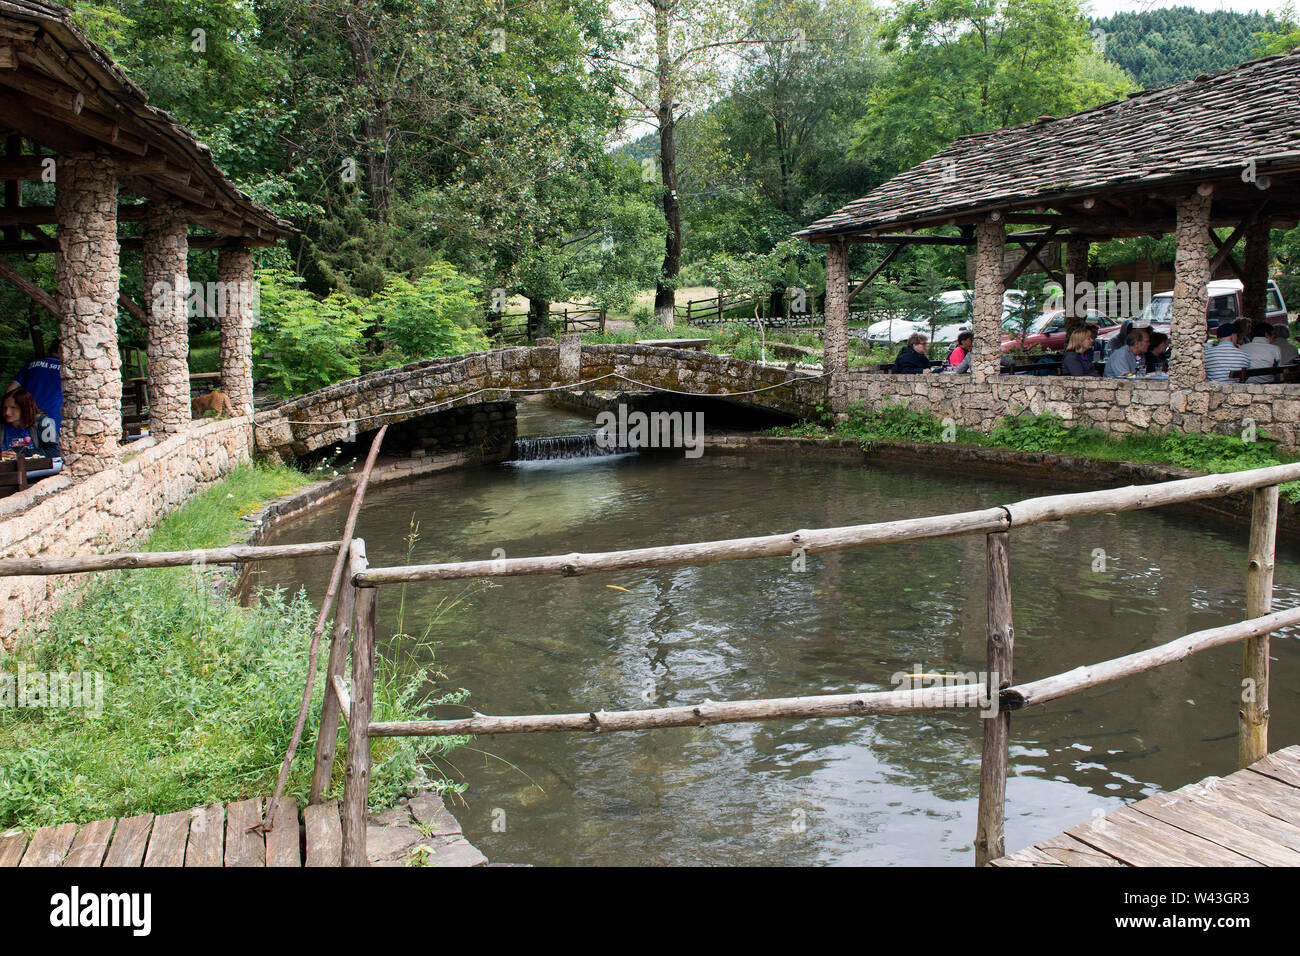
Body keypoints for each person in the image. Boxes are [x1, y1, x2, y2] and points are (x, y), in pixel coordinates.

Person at [8, 339, 62, 433]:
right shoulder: (66, 369)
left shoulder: (30, 365)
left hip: (28, 414)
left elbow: (10, 390)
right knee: (51, 445)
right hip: (54, 416)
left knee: (27, 444)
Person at [1, 387, 60, 460]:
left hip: (38, 469)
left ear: (25, 408)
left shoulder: (43, 422)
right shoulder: (2, 426)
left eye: (13, 408)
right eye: (4, 408)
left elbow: (54, 451)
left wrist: (20, 455)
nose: (7, 412)